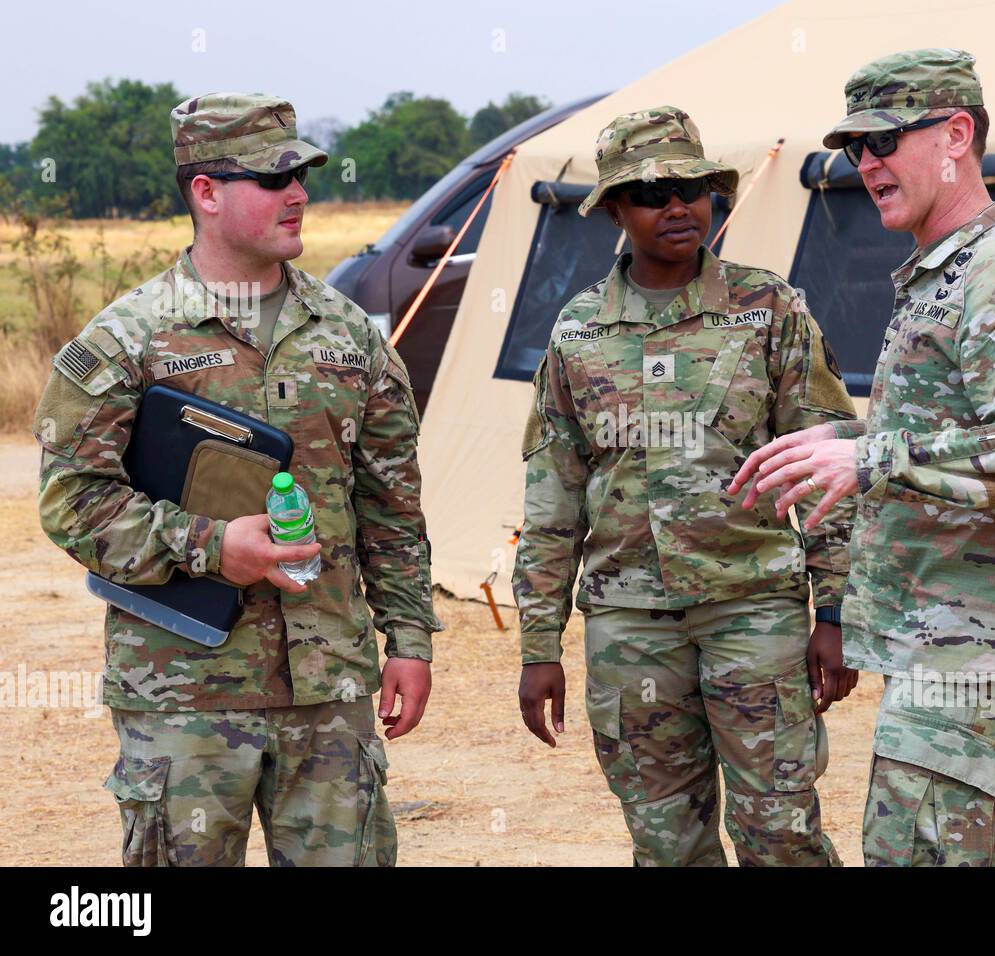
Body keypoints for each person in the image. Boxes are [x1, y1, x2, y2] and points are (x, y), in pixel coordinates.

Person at [32, 93, 440, 866]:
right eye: (272, 178)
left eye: (302, 175)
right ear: (206, 192)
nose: (298, 194)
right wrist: (212, 547)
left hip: (328, 690)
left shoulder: (350, 335)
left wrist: (410, 639)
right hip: (182, 694)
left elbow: (391, 505)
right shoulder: (127, 339)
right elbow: (72, 502)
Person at [730, 50, 995, 866]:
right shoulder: (947, 269)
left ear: (956, 135)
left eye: (885, 140)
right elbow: (962, 427)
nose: (867, 165)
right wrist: (851, 441)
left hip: (984, 646)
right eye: (854, 149)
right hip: (945, 639)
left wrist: (875, 457)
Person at [514, 106, 859, 866]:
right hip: (630, 624)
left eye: (693, 188)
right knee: (665, 839)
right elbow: (553, 497)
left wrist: (837, 611)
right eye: (651, 193)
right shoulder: (578, 330)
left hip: (754, 609)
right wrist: (540, 644)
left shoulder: (768, 309)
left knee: (780, 832)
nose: (677, 206)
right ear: (614, 210)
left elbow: (828, 465)